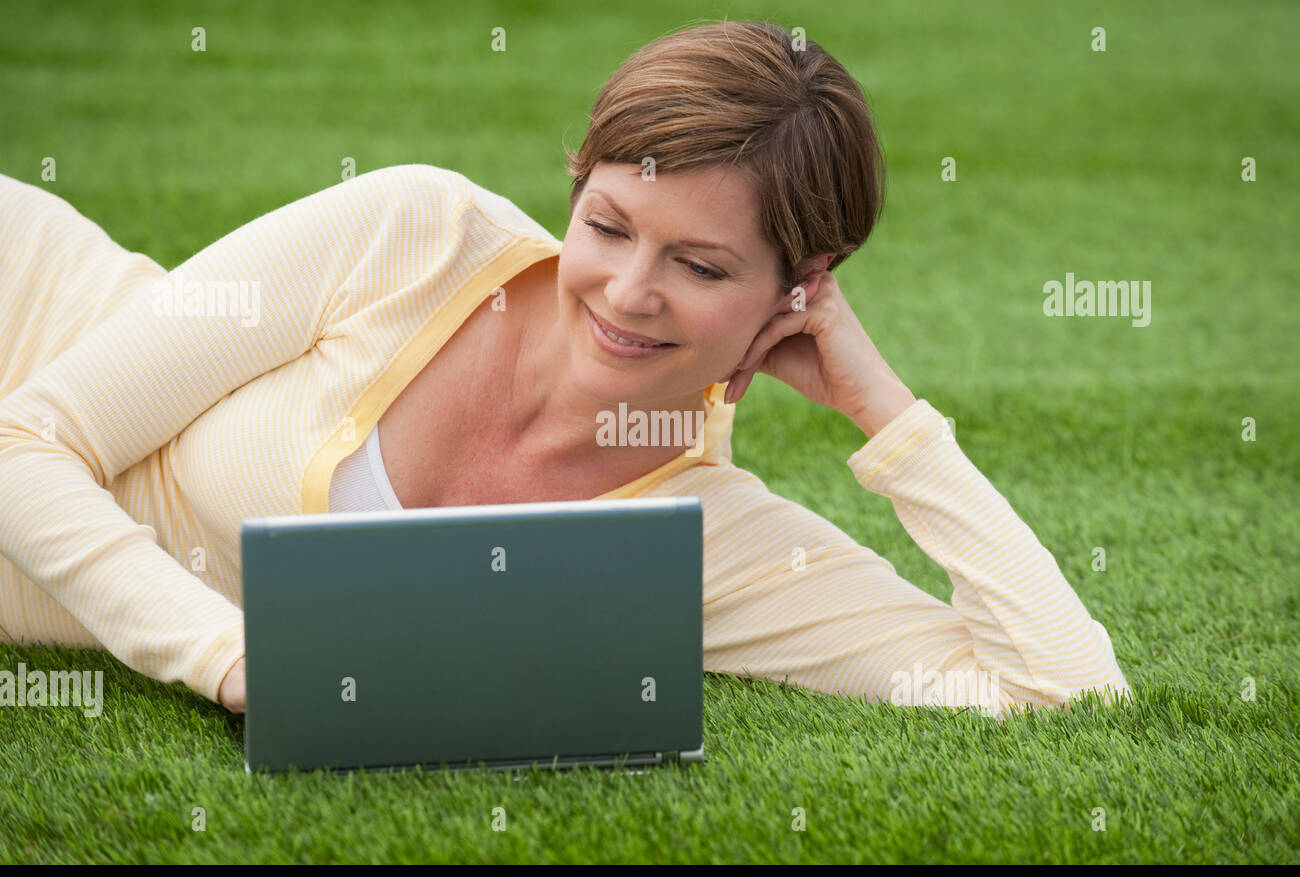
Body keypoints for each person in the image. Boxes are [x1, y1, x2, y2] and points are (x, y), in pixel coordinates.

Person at [0, 20, 1130, 722]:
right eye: (607, 224)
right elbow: (27, 442)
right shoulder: (416, 230)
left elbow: (1063, 693)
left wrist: (885, 412)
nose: (627, 290)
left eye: (698, 264)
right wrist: (237, 662)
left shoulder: (696, 536)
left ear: (799, 291)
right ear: (576, 182)